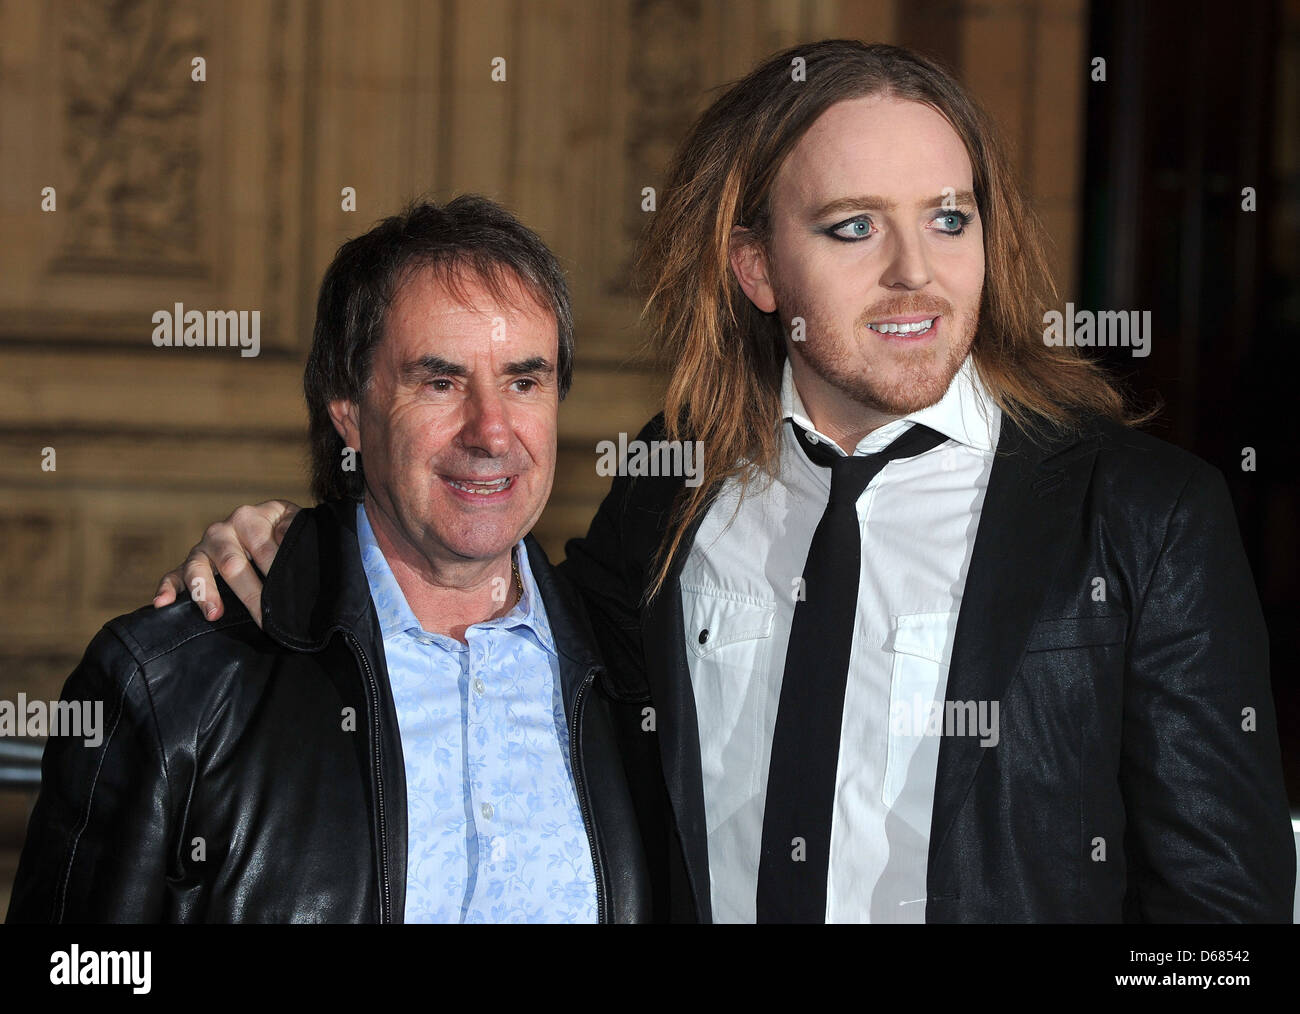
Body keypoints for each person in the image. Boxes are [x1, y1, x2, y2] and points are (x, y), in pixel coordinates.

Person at [150, 41, 1295, 923]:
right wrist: (303, 546)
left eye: (949, 219)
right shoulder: (677, 479)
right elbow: (499, 628)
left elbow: (1222, 922)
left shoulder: (1138, 516)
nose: (916, 272)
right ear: (756, 267)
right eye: (853, 228)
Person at [7, 196, 653, 924]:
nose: (492, 432)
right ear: (349, 411)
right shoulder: (172, 684)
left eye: (524, 382)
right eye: (440, 382)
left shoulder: (638, 675)